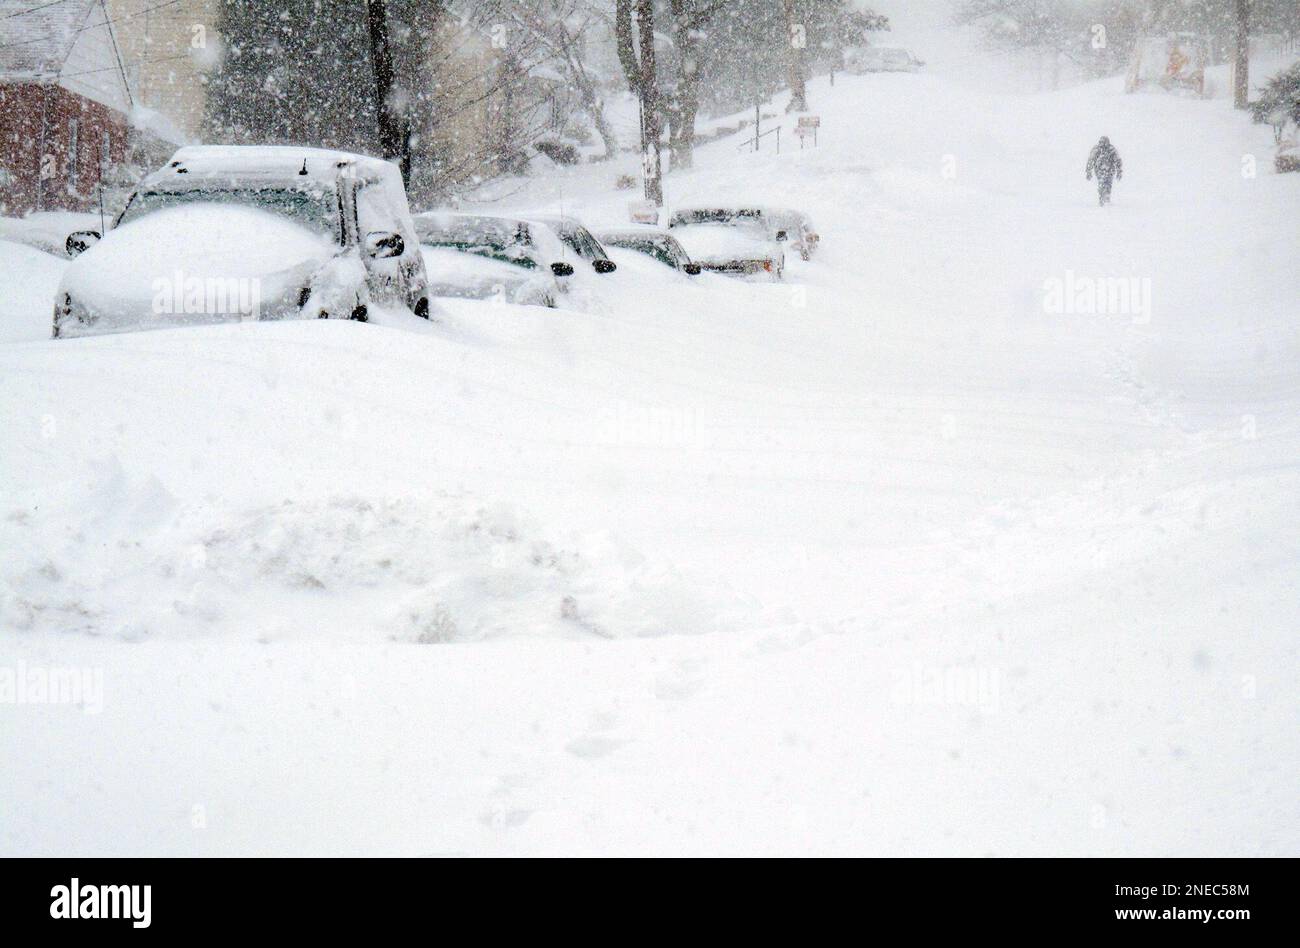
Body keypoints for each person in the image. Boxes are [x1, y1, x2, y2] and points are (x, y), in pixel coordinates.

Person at [1086, 136, 1123, 206]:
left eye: (1104, 142)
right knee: (1102, 184)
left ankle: (1107, 198)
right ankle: (1102, 199)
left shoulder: (1111, 149)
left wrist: (1119, 171)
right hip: (1100, 171)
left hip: (1110, 171)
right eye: (1101, 142)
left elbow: (1117, 161)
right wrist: (1088, 171)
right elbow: (1091, 160)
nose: (1102, 144)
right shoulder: (1096, 149)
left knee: (1108, 185)